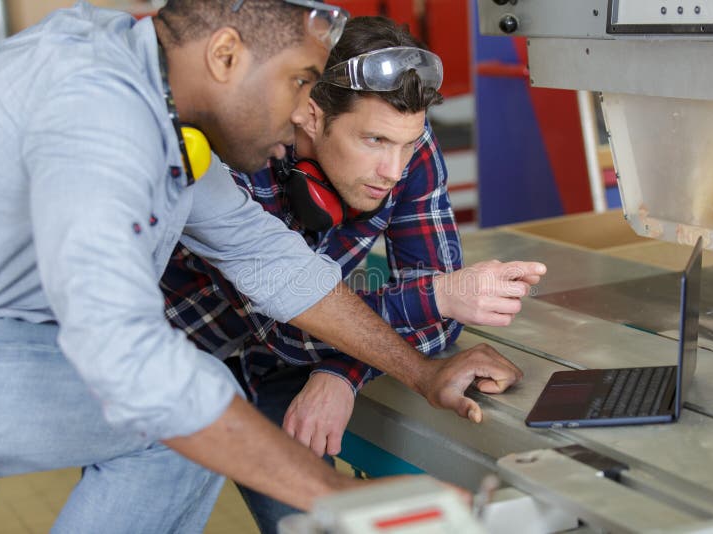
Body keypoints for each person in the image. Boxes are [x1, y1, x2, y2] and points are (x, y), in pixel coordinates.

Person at [0, 1, 526, 531]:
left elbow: (268, 258)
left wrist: (422, 372)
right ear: (225, 56)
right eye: (297, 81)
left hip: (16, 337)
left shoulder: (153, 97)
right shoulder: (98, 115)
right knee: (172, 413)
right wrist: (336, 493)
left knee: (183, 424)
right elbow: (121, 350)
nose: (301, 114)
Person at [161, 16, 546, 533]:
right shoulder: (242, 150)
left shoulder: (407, 142)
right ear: (311, 116)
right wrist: (436, 295)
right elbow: (288, 327)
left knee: (317, 524)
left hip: (286, 369)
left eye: (406, 145)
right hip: (182, 355)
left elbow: (438, 318)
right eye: (374, 141)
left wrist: (343, 372)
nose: (394, 169)